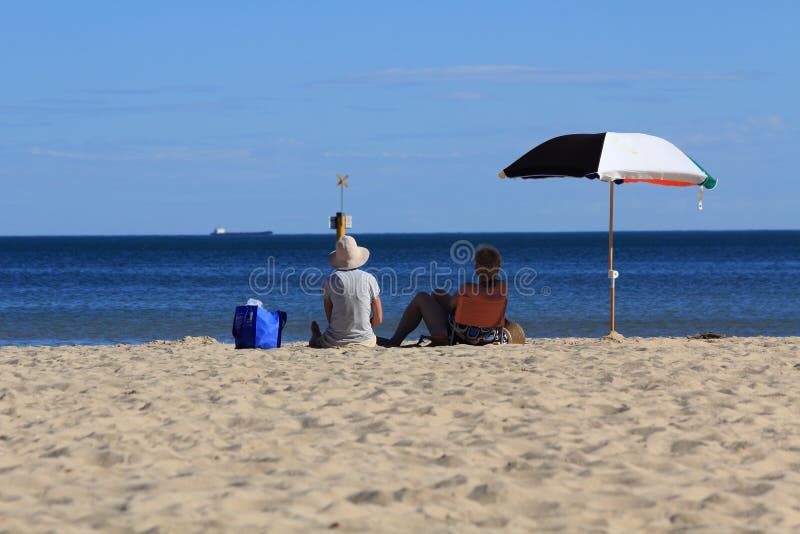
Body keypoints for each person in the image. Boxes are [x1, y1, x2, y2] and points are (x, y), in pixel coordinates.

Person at [382, 244, 514, 346]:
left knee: (422, 297)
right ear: (498, 268)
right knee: (438, 292)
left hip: (460, 335)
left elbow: (451, 305)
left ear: (477, 268)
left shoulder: (468, 289)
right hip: (484, 334)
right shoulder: (503, 288)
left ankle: (395, 340)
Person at [309, 235, 382, 348]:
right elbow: (378, 318)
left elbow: (330, 318)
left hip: (335, 341)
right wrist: (365, 328)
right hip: (365, 341)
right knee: (371, 337)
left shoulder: (329, 280)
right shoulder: (369, 279)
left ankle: (316, 337)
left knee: (319, 341)